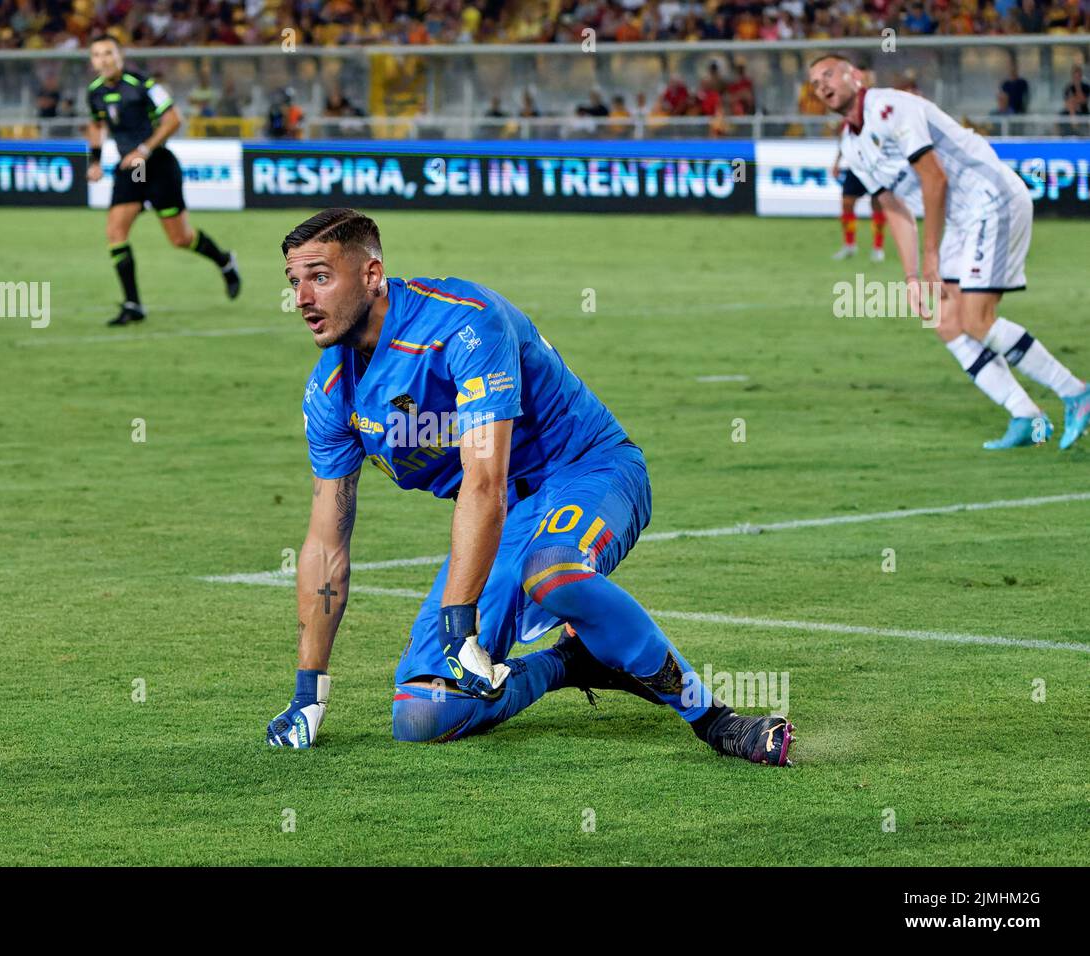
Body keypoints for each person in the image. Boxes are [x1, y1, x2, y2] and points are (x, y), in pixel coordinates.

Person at [266, 208, 794, 764]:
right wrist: (309, 694)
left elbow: (484, 480)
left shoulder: (465, 324)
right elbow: (326, 545)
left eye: (320, 276)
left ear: (372, 275)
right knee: (422, 712)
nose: (302, 297)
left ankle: (715, 720)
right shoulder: (330, 393)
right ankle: (574, 661)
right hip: (509, 512)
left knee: (552, 569)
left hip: (589, 469)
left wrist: (459, 628)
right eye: (294, 281)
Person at [809, 53, 1090, 451]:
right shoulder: (851, 147)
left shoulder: (890, 108)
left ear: (854, 76)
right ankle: (1025, 415)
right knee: (944, 319)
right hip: (962, 221)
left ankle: (1076, 392)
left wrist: (930, 258)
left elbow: (934, 179)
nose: (822, 84)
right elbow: (894, 209)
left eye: (829, 74)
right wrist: (911, 278)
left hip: (991, 199)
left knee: (977, 320)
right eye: (815, 82)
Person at [85, 34, 241, 327]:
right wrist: (94, 161)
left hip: (157, 166)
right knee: (115, 232)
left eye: (108, 53)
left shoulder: (143, 85)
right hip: (128, 169)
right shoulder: (94, 92)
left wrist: (143, 150)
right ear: (92, 61)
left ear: (120, 56)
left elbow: (173, 119)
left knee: (181, 239)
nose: (103, 60)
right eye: (97, 55)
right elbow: (96, 125)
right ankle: (133, 305)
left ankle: (224, 261)